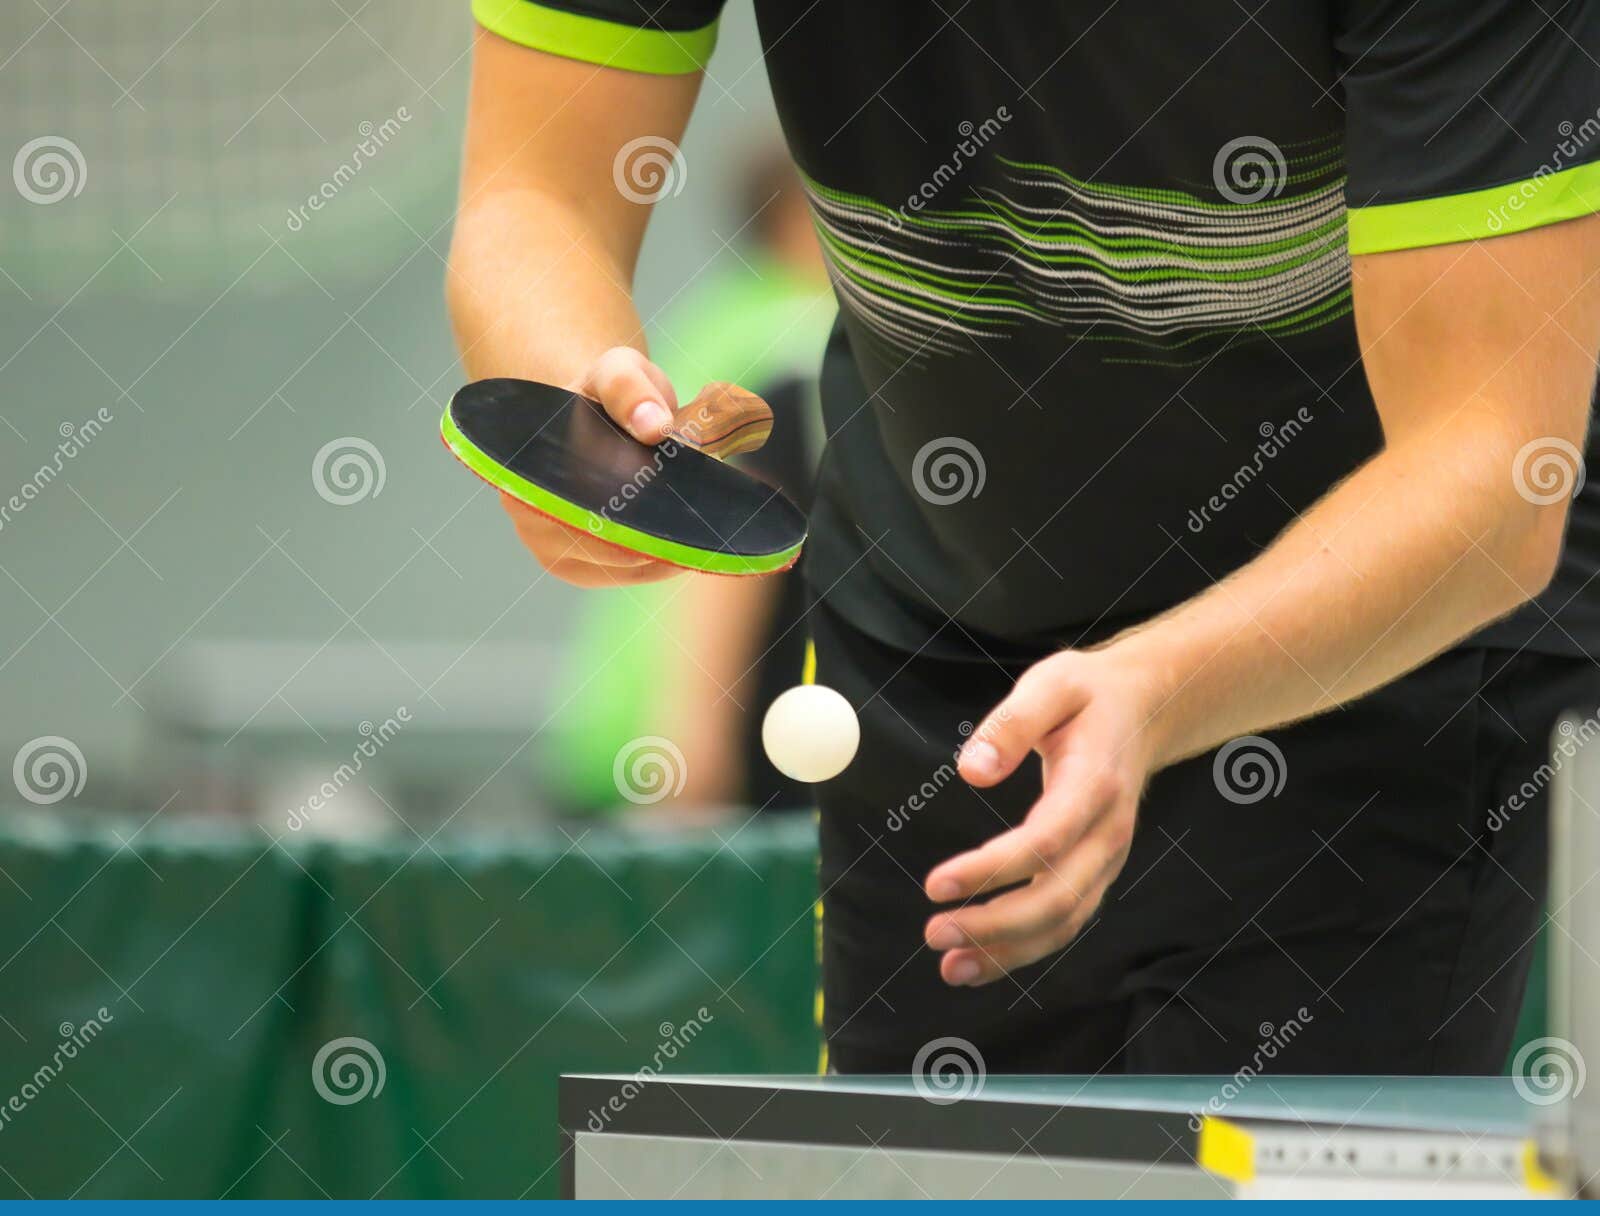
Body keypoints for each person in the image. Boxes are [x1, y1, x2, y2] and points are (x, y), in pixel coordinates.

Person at [448, 0, 1600, 1076]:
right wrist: (574, 425)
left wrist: (1155, 688)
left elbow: (1487, 465)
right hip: (929, 609)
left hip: (1362, 644)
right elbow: (532, 201)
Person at [541, 146, 834, 816]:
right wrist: (695, 738)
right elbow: (733, 539)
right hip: (697, 744)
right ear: (797, 221)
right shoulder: (803, 343)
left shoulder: (716, 318)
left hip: (610, 723)